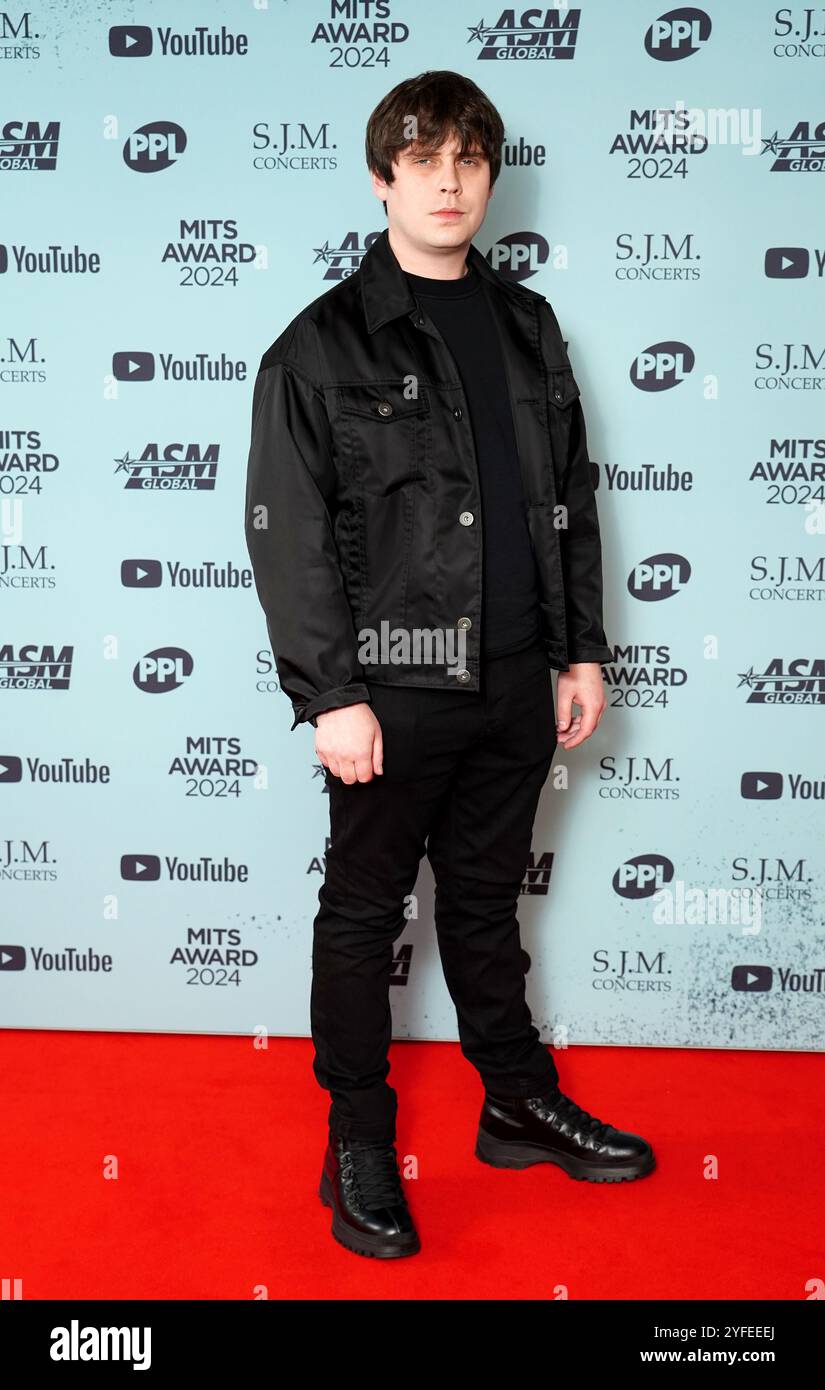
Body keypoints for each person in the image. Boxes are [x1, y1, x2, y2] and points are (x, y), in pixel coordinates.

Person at [244, 69, 655, 1260]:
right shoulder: (318, 346)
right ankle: (358, 1138)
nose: (447, 181)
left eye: (468, 161)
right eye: (422, 161)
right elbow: (289, 530)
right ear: (383, 179)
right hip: (395, 687)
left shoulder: (527, 323)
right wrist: (331, 694)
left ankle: (514, 1102)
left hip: (521, 681)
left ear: (488, 177)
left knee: (484, 902)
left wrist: (579, 648)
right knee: (364, 913)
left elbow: (568, 495)